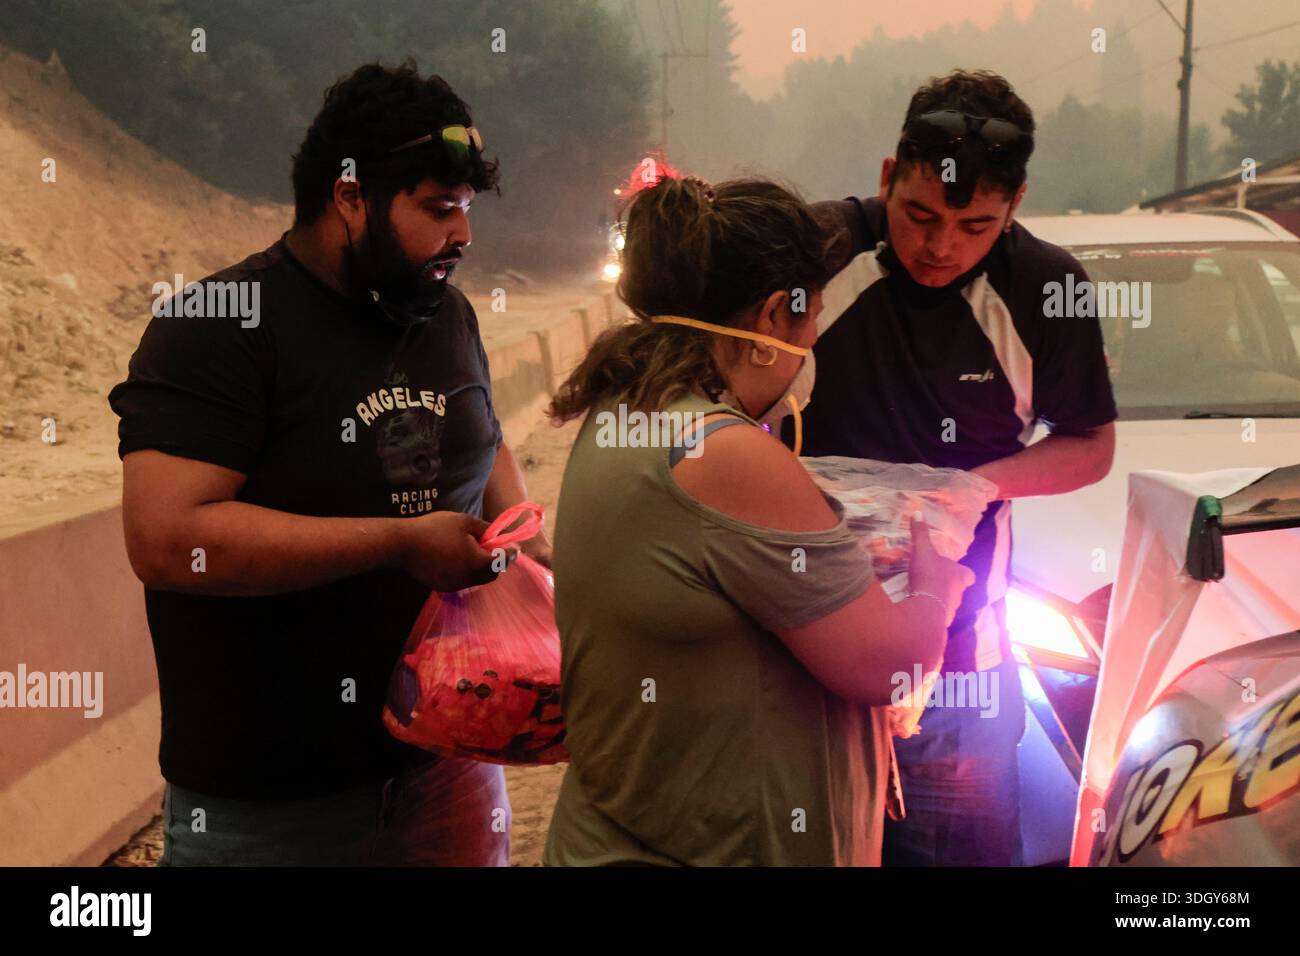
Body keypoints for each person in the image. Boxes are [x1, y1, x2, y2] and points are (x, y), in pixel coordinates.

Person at [107, 61, 549, 866]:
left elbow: (478, 435)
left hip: (448, 772)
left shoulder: (441, 311)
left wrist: (528, 537)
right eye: (439, 208)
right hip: (271, 805)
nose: (463, 235)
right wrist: (400, 541)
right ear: (350, 196)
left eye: (468, 209)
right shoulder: (221, 328)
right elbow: (169, 539)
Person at [542, 175, 973, 867]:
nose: (813, 345)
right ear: (774, 316)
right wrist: (935, 585)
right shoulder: (727, 451)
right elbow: (888, 667)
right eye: (813, 319)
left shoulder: (632, 409)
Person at [791, 69, 1117, 866]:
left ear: (1016, 204)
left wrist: (970, 489)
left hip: (960, 657)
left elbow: (1091, 446)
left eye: (975, 226)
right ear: (884, 179)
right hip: (798, 642)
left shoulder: (1046, 289)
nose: (940, 248)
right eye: (919, 216)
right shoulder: (815, 250)